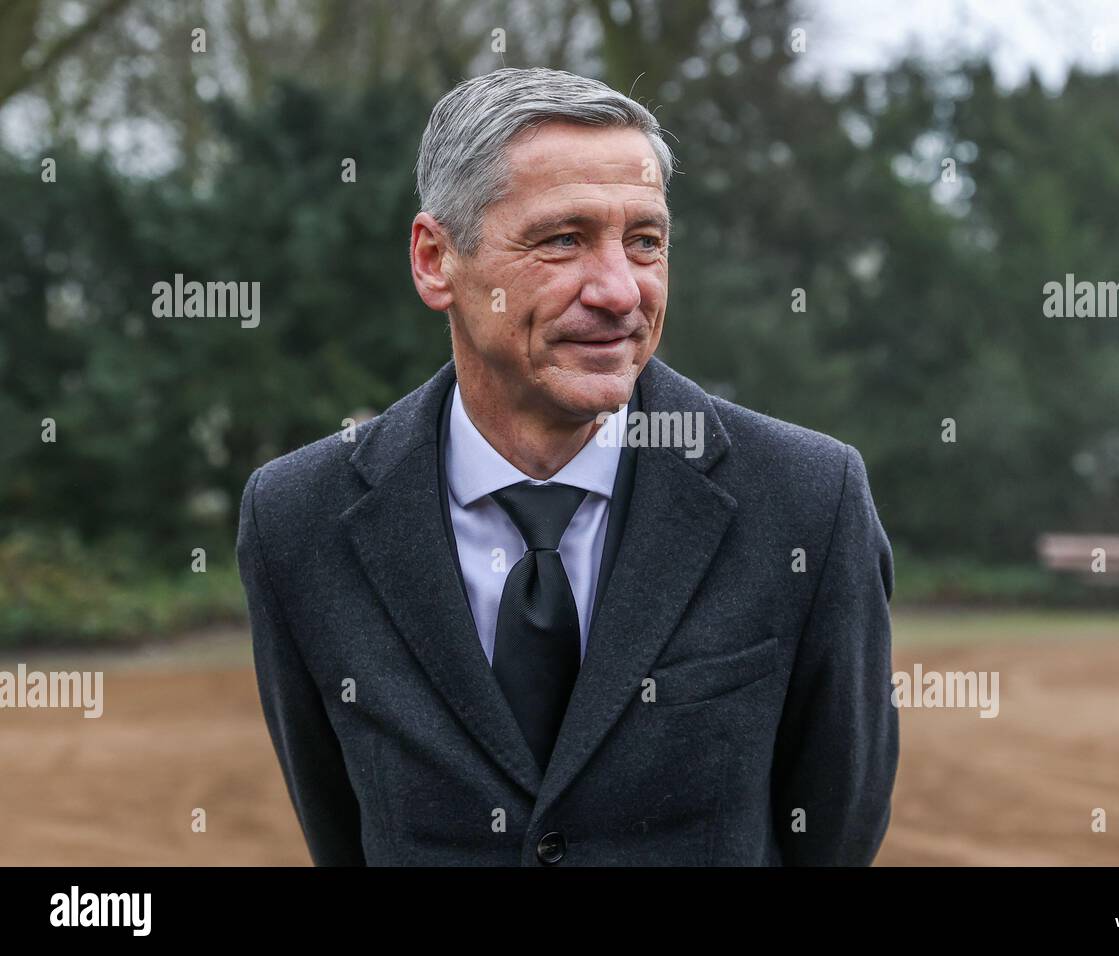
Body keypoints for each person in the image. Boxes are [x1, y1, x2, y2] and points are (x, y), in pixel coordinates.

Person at [236, 67, 897, 866]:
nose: (621, 291)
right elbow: (341, 832)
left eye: (645, 242)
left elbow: (833, 835)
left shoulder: (807, 501)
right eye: (563, 239)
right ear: (435, 260)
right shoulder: (296, 518)